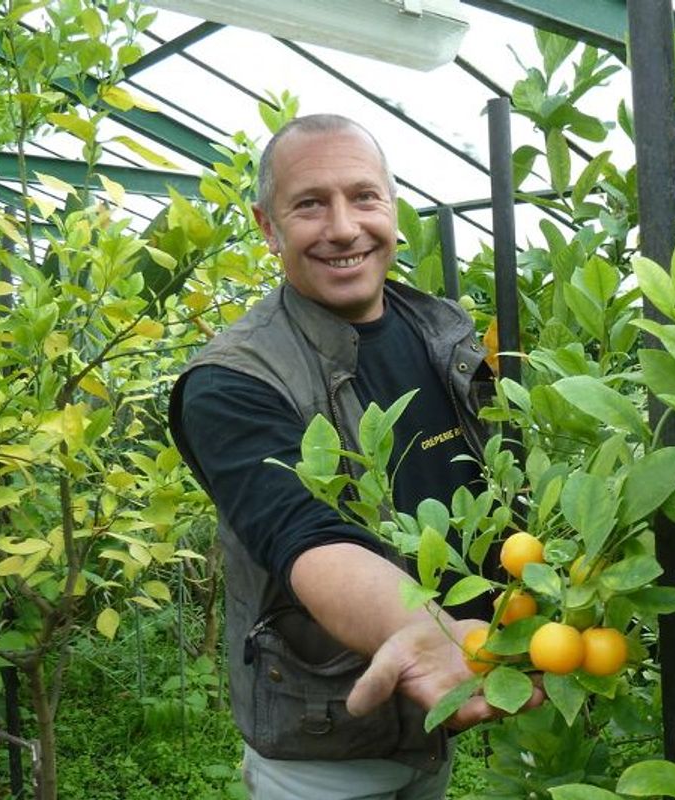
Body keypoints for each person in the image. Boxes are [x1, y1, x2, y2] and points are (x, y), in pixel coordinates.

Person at [168, 113, 504, 799]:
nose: (345, 227)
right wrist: (424, 631)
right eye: (310, 204)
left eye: (364, 196)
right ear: (268, 227)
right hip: (325, 748)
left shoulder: (446, 333)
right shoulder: (233, 379)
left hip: (447, 705)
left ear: (393, 208)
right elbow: (304, 534)